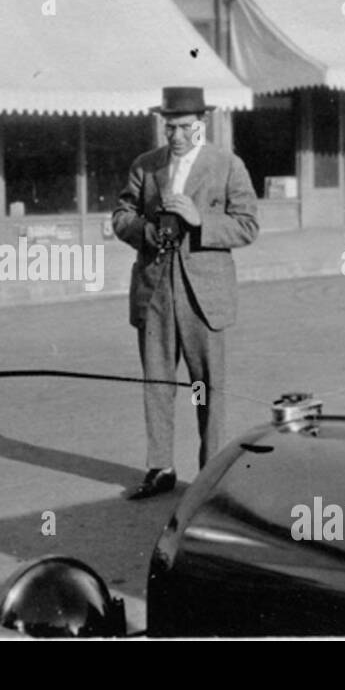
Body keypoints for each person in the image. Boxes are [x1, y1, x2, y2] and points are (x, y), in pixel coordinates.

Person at [112, 86, 259, 500]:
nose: (174, 135)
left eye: (183, 127)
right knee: (157, 382)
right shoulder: (147, 166)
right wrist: (143, 231)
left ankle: (210, 477)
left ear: (202, 124)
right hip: (154, 288)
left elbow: (248, 225)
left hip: (204, 294)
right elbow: (122, 214)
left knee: (208, 385)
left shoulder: (227, 166)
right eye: (168, 126)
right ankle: (160, 467)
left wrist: (200, 222)